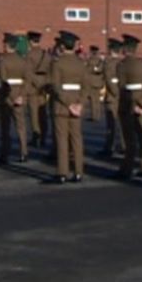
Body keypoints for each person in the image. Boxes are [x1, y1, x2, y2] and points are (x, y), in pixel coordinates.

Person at [50, 31, 89, 183]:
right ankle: (78, 171)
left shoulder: (57, 63)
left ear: (61, 46)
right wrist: (79, 103)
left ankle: (62, 172)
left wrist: (69, 104)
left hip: (62, 106)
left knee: (62, 140)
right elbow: (85, 86)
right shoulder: (81, 64)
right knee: (76, 139)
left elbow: (56, 87)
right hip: (77, 105)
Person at [117, 34, 142, 178]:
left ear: (125, 49)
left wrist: (133, 105)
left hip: (127, 103)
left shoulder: (122, 65)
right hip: (140, 102)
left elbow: (122, 87)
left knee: (129, 138)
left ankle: (128, 167)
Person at [0, 33, 31, 164]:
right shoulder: (23, 61)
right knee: (21, 126)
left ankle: (4, 153)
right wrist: (21, 95)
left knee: (5, 127)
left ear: (6, 45)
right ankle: (24, 152)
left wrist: (10, 96)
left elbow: (3, 79)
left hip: (7, 95)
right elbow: (28, 80)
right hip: (20, 93)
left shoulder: (3, 61)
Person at [26, 31, 51, 149]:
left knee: (34, 113)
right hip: (44, 85)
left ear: (30, 41)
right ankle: (44, 137)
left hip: (33, 86)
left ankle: (36, 135)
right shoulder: (46, 54)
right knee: (43, 113)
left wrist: (34, 82)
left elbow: (27, 72)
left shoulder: (29, 55)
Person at [101, 38, 125, 156]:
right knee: (122, 122)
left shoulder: (109, 63)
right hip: (122, 96)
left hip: (113, 97)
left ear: (111, 50)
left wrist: (116, 93)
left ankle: (110, 146)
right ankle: (123, 145)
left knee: (111, 124)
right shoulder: (122, 62)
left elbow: (109, 80)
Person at [84, 46, 104, 122]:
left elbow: (88, 70)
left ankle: (95, 116)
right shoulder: (100, 61)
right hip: (97, 82)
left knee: (93, 100)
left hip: (90, 82)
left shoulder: (90, 60)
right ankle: (96, 115)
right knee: (96, 100)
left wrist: (92, 68)